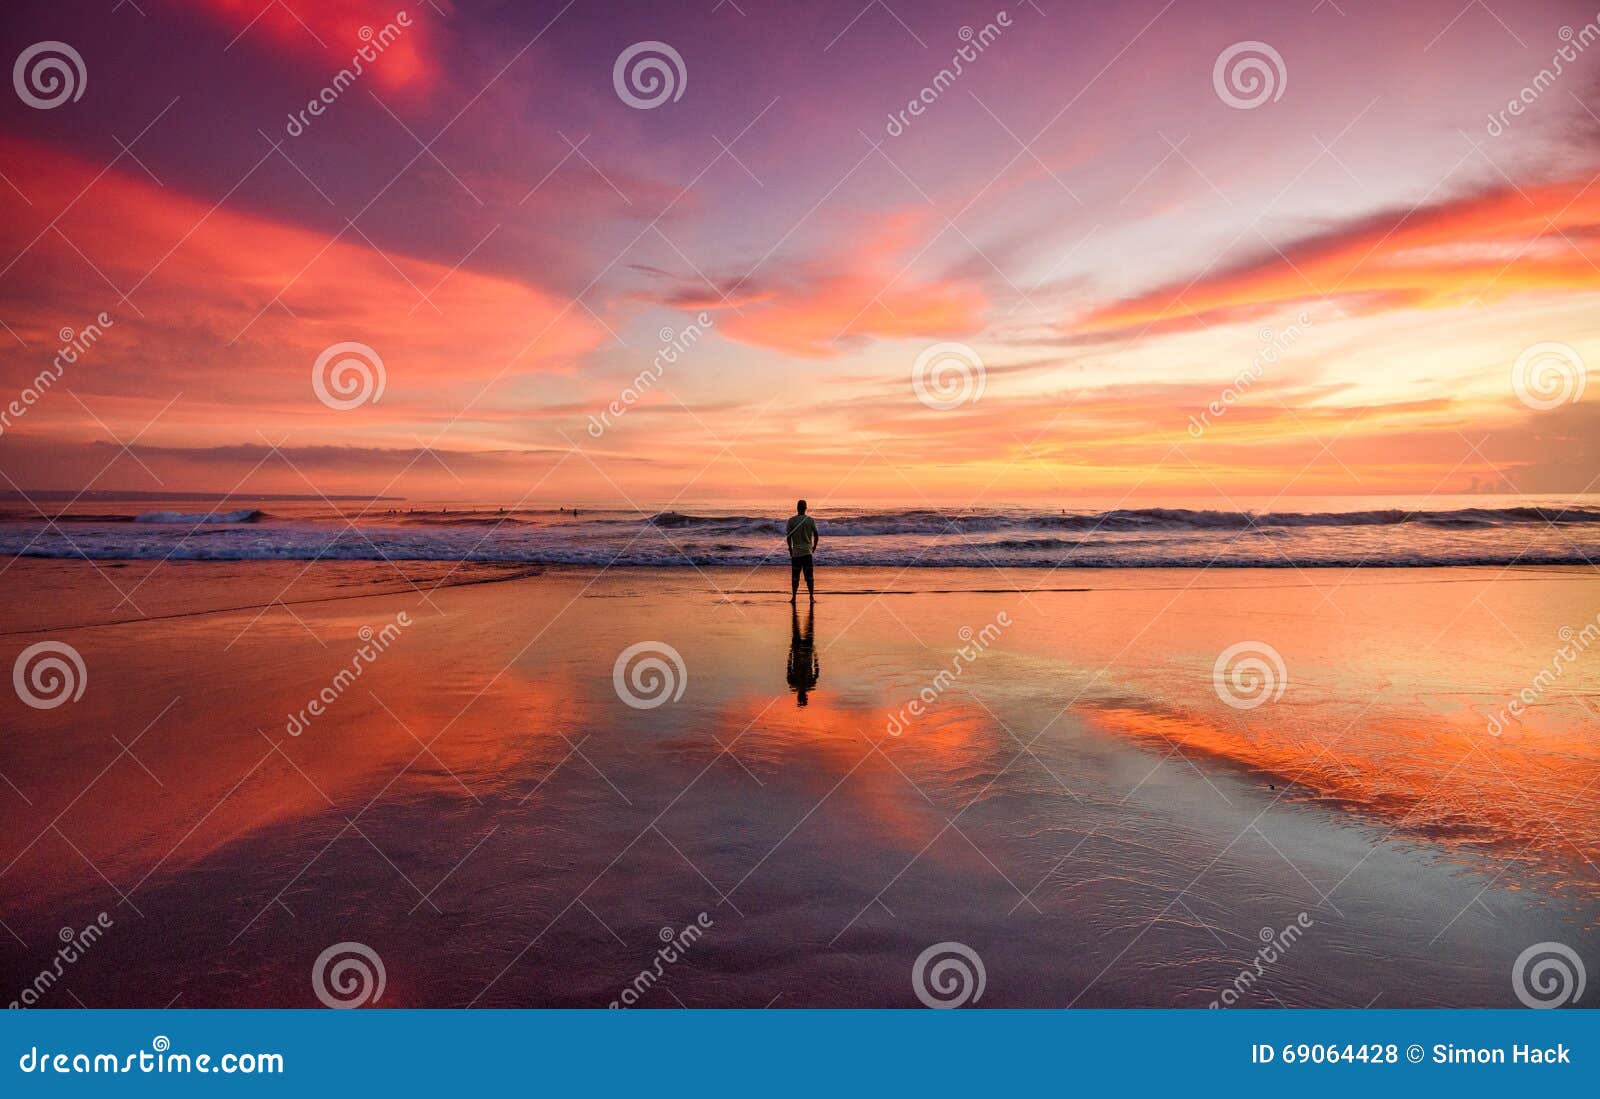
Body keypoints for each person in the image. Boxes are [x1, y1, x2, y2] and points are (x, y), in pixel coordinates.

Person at [785, 498, 819, 603]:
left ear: (797, 508)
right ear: (806, 508)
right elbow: (816, 535)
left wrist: (790, 549)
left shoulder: (791, 520)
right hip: (807, 553)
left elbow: (788, 537)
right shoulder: (810, 520)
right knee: (810, 577)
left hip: (796, 554)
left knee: (795, 577)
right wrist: (814, 547)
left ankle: (794, 597)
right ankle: (811, 597)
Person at [786, 602, 820, 706]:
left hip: (802, 651)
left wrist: (815, 656)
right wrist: (815, 655)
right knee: (806, 626)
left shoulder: (795, 684)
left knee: (799, 627)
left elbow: (789, 666)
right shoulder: (805, 685)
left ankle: (806, 605)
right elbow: (817, 670)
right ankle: (810, 605)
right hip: (805, 652)